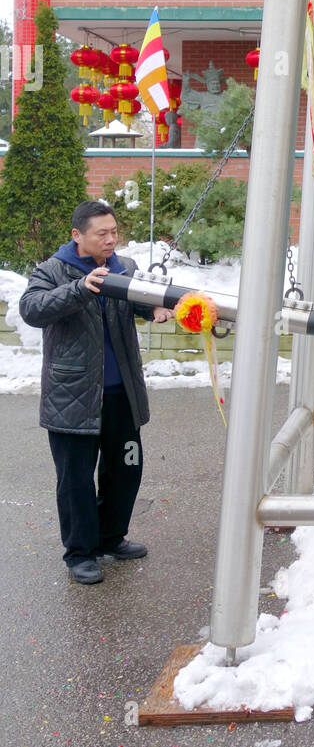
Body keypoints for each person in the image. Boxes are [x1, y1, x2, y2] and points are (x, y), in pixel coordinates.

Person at [19, 201, 173, 585]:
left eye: (114, 231)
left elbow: (138, 302)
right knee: (75, 480)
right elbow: (32, 309)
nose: (111, 238)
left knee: (125, 471)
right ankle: (80, 553)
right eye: (101, 233)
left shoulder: (125, 268)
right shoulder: (52, 270)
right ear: (78, 235)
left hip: (122, 392)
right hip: (73, 396)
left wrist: (153, 308)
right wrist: (79, 288)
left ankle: (110, 538)